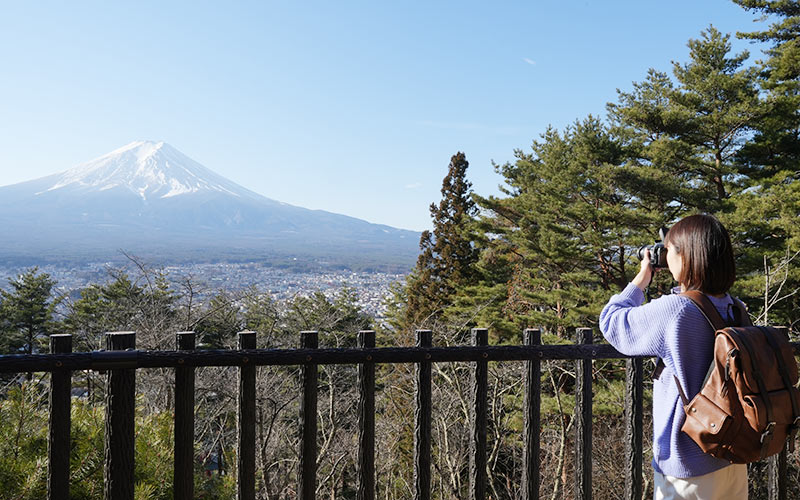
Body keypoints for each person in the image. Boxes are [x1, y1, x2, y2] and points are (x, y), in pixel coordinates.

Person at [599, 214, 748, 500]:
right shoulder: (736, 308)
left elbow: (612, 322)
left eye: (670, 250)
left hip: (688, 463)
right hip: (733, 453)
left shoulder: (675, 310)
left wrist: (642, 277)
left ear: (685, 256)